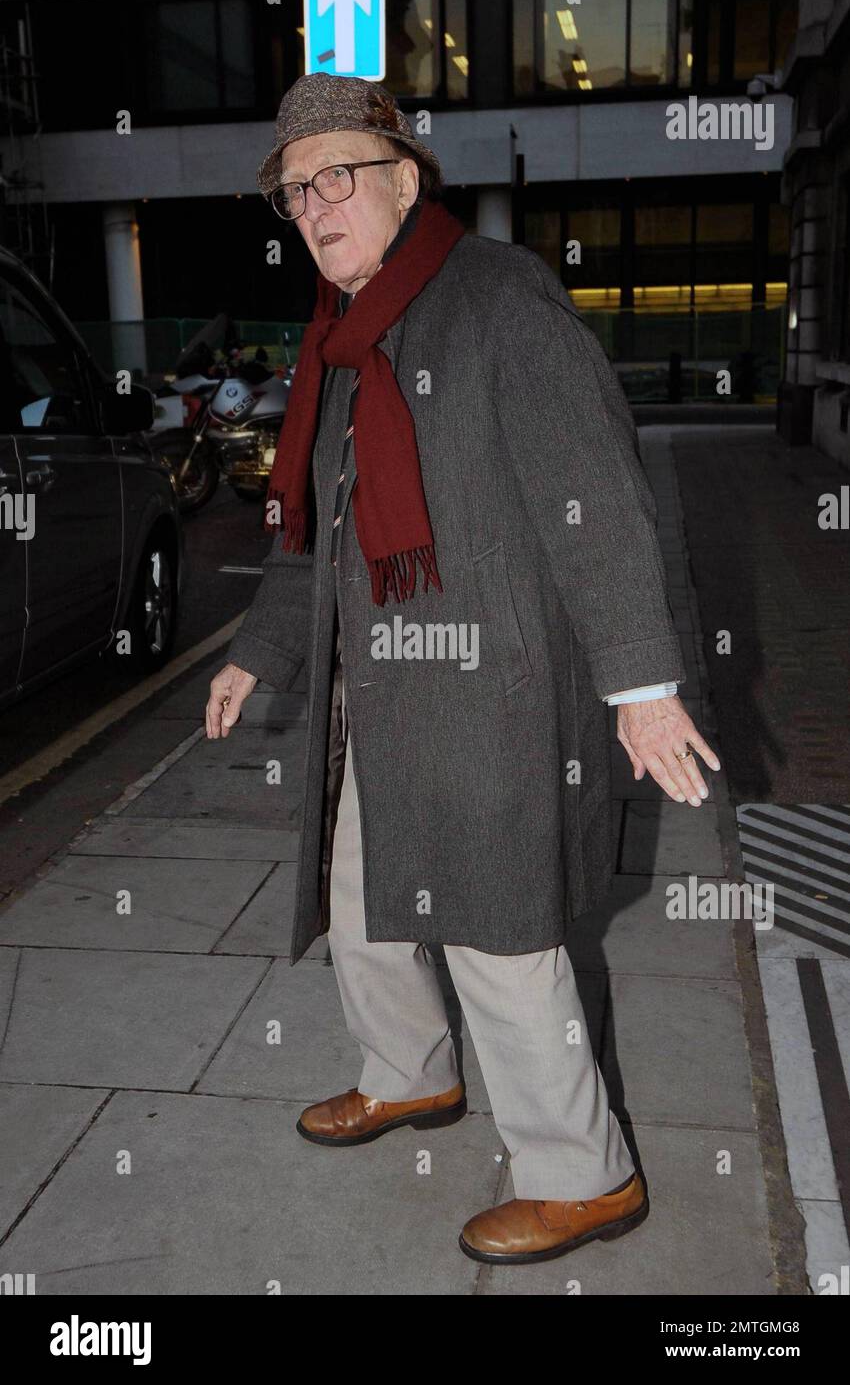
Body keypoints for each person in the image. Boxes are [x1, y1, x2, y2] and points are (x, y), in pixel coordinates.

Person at [205, 72, 721, 1266]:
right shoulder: (341, 342)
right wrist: (259, 652)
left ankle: (583, 1172)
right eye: (295, 194)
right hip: (377, 691)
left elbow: (595, 504)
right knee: (361, 904)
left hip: (493, 691)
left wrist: (642, 683)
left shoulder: (499, 302)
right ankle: (410, 1076)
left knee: (501, 932)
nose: (316, 209)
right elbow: (318, 536)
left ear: (401, 180)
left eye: (336, 179)